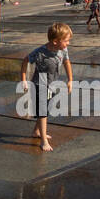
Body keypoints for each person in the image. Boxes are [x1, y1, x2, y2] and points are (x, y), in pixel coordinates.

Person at [21, 23, 73, 152]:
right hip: (40, 84)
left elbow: (66, 62)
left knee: (46, 109)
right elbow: (25, 60)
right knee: (43, 112)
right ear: (56, 41)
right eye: (66, 41)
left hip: (52, 84)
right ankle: (43, 141)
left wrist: (70, 80)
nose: (68, 43)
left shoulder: (63, 50)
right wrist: (23, 80)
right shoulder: (40, 53)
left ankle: (36, 131)